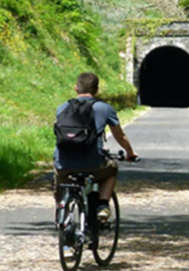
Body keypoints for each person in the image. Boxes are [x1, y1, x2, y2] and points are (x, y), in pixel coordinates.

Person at [53, 72, 138, 223]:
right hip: (93, 163)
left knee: (60, 178)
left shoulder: (62, 108)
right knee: (111, 169)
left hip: (64, 163)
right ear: (97, 90)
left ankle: (62, 210)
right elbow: (119, 135)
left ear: (76, 88)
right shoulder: (104, 108)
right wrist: (130, 152)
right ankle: (103, 205)